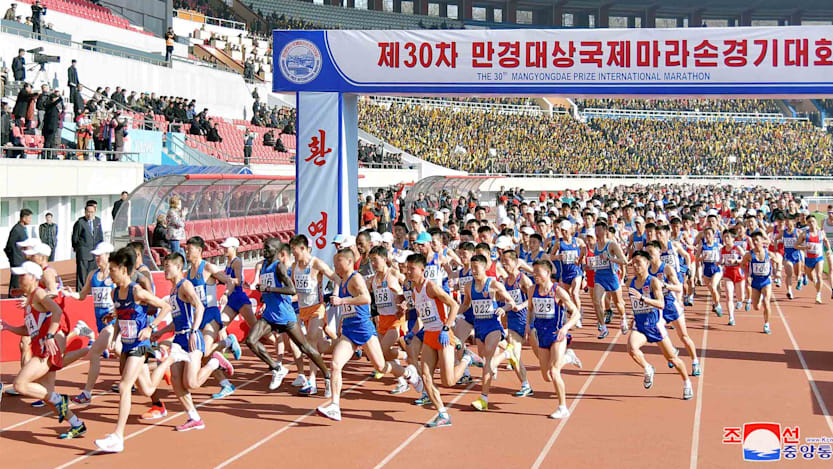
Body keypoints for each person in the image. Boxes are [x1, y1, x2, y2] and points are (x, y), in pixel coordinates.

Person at [316, 248, 422, 422]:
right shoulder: (341, 280)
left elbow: (366, 299)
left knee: (381, 366)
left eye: (338, 262)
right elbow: (328, 274)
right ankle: (335, 405)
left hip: (364, 329)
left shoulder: (355, 278)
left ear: (349, 262)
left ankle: (408, 373)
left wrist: (343, 301)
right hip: (349, 331)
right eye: (334, 262)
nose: (335, 265)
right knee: (335, 364)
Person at [93, 248, 176, 453]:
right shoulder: (115, 292)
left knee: (123, 387)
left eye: (112, 270)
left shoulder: (136, 291)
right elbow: (121, 318)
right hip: (127, 345)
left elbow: (165, 307)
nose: (109, 273)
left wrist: (151, 327)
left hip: (139, 346)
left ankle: (118, 436)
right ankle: (168, 360)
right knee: (146, 390)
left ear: (123, 269)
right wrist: (114, 337)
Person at [1, 261, 87, 439]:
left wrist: (49, 335)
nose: (19, 279)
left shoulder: (39, 293)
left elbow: (57, 312)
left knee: (20, 384)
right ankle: (77, 424)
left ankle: (59, 399)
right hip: (40, 347)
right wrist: (8, 327)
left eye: (22, 275)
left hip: (46, 349)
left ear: (32, 277)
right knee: (48, 397)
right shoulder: (31, 298)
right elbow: (28, 329)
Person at [150, 252, 234, 432]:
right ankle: (194, 417)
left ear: (178, 268)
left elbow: (199, 306)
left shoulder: (185, 285)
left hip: (191, 338)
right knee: (176, 381)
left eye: (168, 266)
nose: (165, 270)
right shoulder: (172, 290)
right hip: (179, 338)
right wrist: (162, 332)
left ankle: (214, 362)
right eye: (164, 266)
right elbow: (177, 318)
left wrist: (195, 331)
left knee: (192, 383)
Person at [246, 239, 332, 395]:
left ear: (277, 251)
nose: (264, 250)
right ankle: (277, 368)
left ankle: (327, 375)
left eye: (268, 248)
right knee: (250, 340)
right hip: (269, 315)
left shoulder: (278, 266)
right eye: (264, 248)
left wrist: (269, 289)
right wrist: (263, 295)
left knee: (305, 347)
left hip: (285, 315)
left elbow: (291, 289)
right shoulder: (264, 266)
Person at [626, 251, 693, 400]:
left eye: (639, 263)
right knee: (631, 348)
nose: (635, 266)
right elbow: (634, 304)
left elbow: (661, 304)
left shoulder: (653, 282)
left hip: (655, 326)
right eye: (634, 263)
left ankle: (686, 382)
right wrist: (631, 317)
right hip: (640, 326)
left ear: (647, 264)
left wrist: (643, 298)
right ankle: (648, 368)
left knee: (672, 359)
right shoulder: (630, 283)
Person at [459, 254, 517, 411]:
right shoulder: (468, 286)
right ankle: (507, 353)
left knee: (489, 360)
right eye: (471, 268)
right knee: (485, 358)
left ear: (484, 267)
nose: (473, 271)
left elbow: (511, 302)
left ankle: (483, 398)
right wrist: (455, 315)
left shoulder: (493, 284)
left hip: (492, 325)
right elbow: (465, 304)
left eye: (476, 268)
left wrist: (503, 308)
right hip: (479, 327)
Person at [64, 242, 119, 404]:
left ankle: (87, 393)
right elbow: (82, 296)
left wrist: (115, 313)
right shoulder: (92, 275)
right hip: (101, 323)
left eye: (99, 255)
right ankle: (153, 362)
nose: (96, 258)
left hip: (114, 322)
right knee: (122, 353)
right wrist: (70, 294)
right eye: (95, 255)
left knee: (94, 352)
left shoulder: (115, 276)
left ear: (108, 256)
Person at [527, 259, 583, 418]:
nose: (535, 275)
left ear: (548, 273)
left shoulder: (558, 291)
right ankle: (569, 357)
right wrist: (528, 327)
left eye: (538, 272)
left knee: (554, 371)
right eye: (534, 272)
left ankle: (562, 407)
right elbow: (530, 310)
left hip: (557, 334)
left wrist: (565, 328)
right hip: (542, 335)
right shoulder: (532, 290)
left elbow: (576, 313)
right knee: (546, 376)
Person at [289, 235, 339, 395]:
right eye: (291, 250)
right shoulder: (294, 267)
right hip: (302, 309)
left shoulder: (316, 264)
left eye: (294, 250)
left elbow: (336, 278)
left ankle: (312, 381)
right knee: (317, 346)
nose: (293, 253)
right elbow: (294, 289)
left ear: (303, 248)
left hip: (317, 308)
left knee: (310, 341)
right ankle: (341, 345)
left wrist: (336, 294)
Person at [71, 201, 104, 289]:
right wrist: (77, 248)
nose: (90, 214)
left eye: (92, 212)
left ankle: (90, 291)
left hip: (94, 252)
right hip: (83, 252)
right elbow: (75, 237)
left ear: (95, 212)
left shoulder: (97, 221)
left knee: (92, 273)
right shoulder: (80, 222)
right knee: (82, 274)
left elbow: (100, 235)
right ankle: (81, 292)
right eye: (88, 212)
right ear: (85, 212)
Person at [5, 208, 32, 297]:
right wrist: (12, 258)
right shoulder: (16, 230)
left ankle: (17, 296)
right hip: (17, 260)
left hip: (22, 259)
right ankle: (11, 299)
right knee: (15, 281)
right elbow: (9, 246)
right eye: (29, 218)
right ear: (23, 218)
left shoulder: (23, 229)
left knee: (21, 280)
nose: (30, 220)